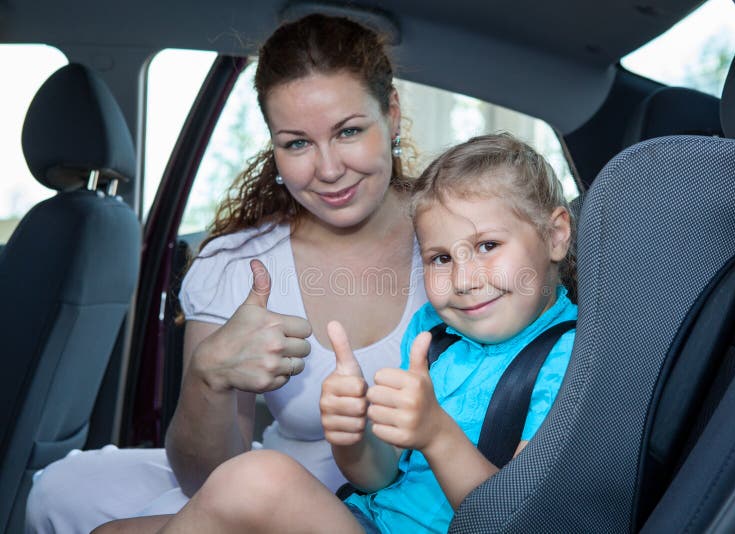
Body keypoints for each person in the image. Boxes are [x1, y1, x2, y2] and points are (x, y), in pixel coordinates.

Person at [25, 13, 428, 534]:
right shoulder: (239, 264)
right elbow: (208, 478)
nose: (327, 170)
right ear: (274, 145)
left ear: (391, 115)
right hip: (262, 488)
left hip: (404, 507)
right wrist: (208, 378)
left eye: (349, 131)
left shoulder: (461, 235)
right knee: (57, 492)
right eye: (297, 143)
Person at [96, 132, 578, 533]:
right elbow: (377, 477)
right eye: (441, 258)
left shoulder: (573, 361)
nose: (465, 278)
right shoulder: (434, 335)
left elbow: (519, 522)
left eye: (488, 245)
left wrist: (436, 435)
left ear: (556, 235)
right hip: (367, 519)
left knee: (259, 480)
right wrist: (353, 437)